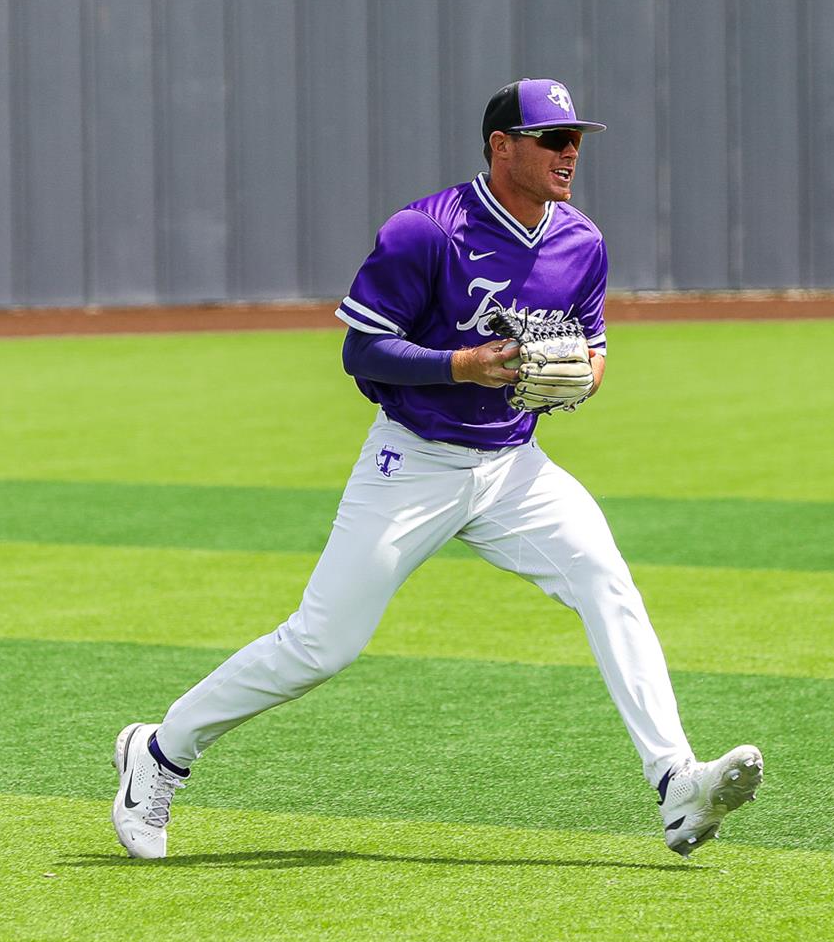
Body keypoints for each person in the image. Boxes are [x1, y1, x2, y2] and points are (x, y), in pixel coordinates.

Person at [112, 79, 762, 859]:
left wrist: (583, 375)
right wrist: (461, 364)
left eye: (575, 138)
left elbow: (593, 352)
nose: (569, 152)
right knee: (323, 643)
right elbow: (361, 349)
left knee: (605, 581)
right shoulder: (427, 231)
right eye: (551, 138)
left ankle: (676, 784)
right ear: (502, 147)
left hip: (515, 467)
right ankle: (157, 752)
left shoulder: (581, 242)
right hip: (411, 460)